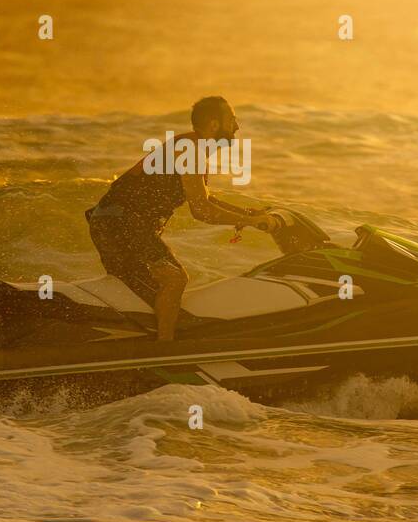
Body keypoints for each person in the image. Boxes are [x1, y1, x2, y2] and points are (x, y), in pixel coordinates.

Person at [84, 96, 275, 341]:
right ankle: (165, 350)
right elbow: (202, 211)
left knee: (144, 289)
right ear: (215, 125)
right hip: (121, 221)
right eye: (232, 120)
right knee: (174, 279)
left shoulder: (192, 148)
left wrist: (248, 215)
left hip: (111, 220)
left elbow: (205, 199)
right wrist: (249, 222)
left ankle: (130, 339)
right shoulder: (189, 150)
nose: (237, 127)